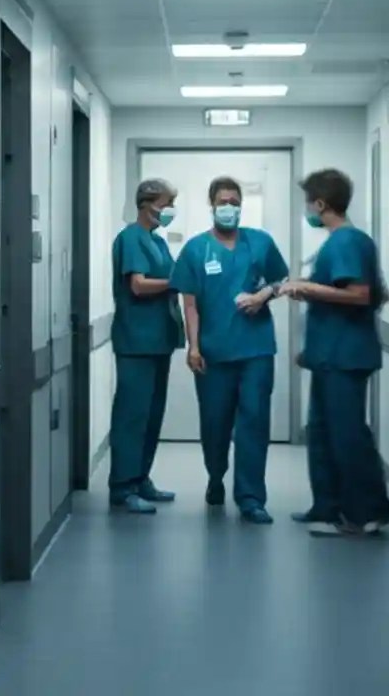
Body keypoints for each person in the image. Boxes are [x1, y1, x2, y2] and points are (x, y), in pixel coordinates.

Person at [170, 176, 289, 524]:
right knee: (215, 423)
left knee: (254, 422)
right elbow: (189, 304)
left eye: (235, 202)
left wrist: (261, 296)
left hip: (256, 351)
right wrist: (193, 346)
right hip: (214, 352)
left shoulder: (260, 243)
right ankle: (216, 476)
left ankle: (251, 497)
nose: (230, 208)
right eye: (223, 202)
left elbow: (279, 281)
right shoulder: (195, 249)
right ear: (212, 204)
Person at [281, 168, 389, 536]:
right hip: (330, 355)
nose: (306, 210)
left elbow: (360, 294)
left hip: (345, 356)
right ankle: (327, 507)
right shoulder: (340, 242)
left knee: (346, 435)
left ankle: (364, 514)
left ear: (321, 203)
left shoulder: (346, 242)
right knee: (323, 432)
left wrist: (307, 288)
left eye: (308, 203)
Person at [108, 178, 185, 514]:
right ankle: (122, 487)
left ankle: (141, 479)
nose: (169, 211)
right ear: (147, 203)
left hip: (158, 340)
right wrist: (178, 282)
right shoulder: (130, 239)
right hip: (136, 341)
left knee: (152, 415)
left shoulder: (157, 241)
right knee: (132, 415)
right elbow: (138, 286)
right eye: (166, 204)